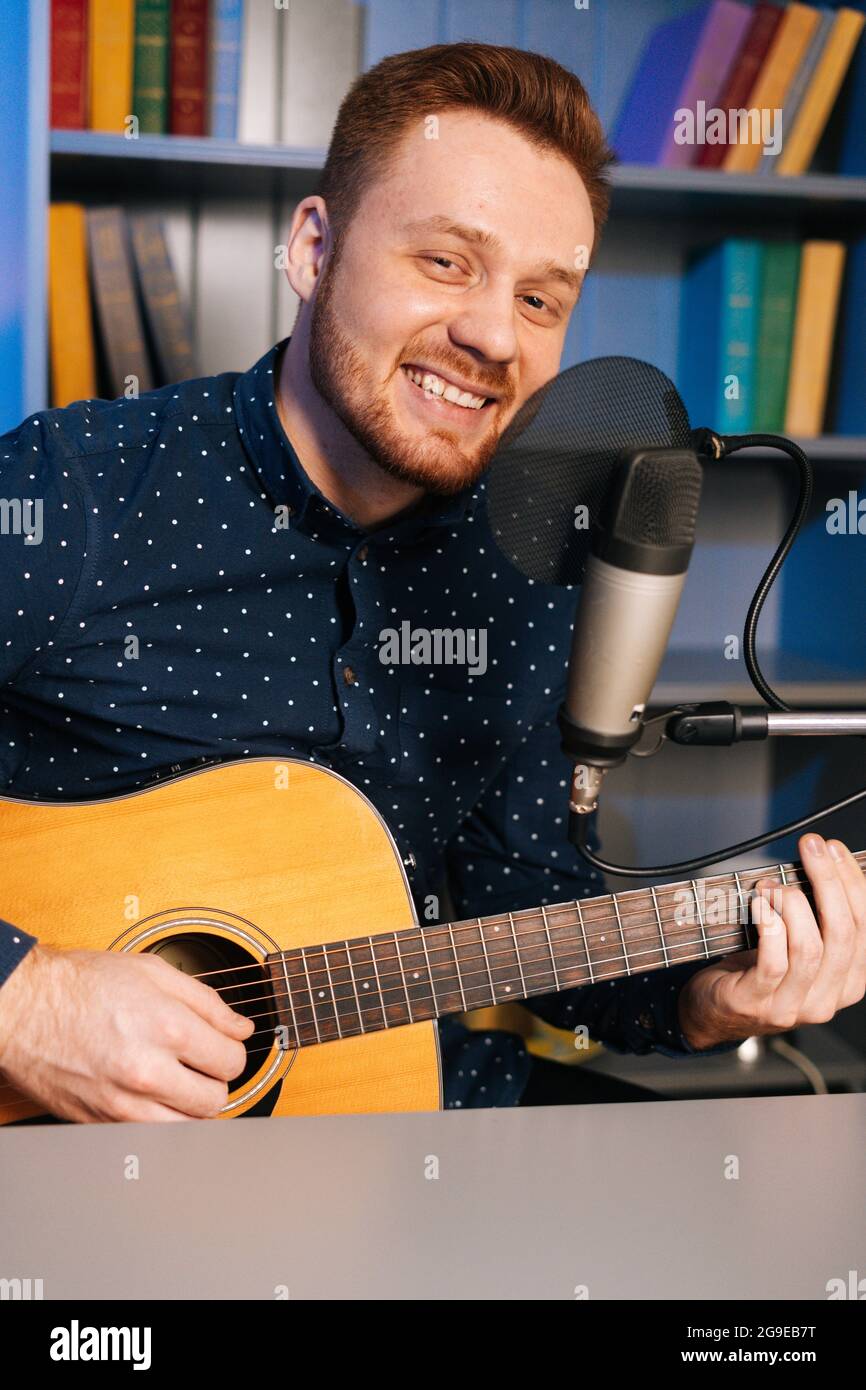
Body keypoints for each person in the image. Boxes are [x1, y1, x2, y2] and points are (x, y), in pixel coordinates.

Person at [0, 44, 863, 1122]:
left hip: (398, 1102)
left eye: (541, 299)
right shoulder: (74, 489)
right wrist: (25, 1001)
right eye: (447, 262)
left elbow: (527, 901)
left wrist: (704, 993)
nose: (493, 335)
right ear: (313, 248)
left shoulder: (526, 566)